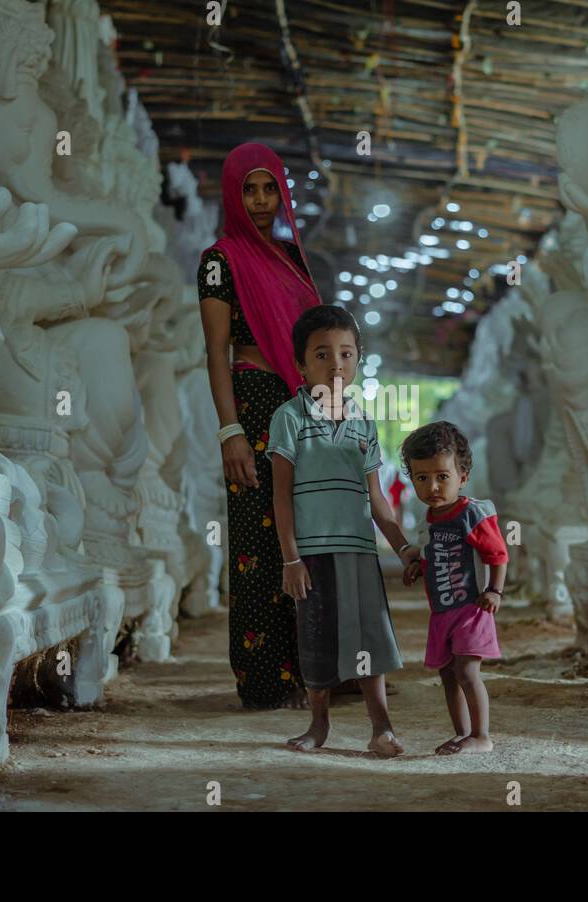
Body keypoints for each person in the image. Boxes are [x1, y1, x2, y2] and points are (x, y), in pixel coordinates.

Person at [197, 142, 321, 710]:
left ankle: (323, 668)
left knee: (313, 534)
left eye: (270, 188)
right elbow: (216, 352)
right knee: (256, 541)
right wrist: (231, 432)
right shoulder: (219, 260)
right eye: (250, 189)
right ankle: (266, 681)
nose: (263, 200)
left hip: (302, 405)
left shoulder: (292, 258)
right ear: (232, 193)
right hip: (251, 403)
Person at [266, 305, 421, 756]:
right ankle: (318, 727)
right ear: (300, 363)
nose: (336, 364)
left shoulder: (365, 423)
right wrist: (291, 559)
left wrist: (405, 547)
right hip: (311, 555)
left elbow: (377, 500)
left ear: (357, 360)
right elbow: (281, 496)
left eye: (346, 353)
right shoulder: (289, 418)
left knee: (368, 639)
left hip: (358, 551)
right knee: (317, 641)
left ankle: (382, 728)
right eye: (322, 354)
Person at [400, 421, 508, 754]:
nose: (432, 485)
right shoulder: (430, 519)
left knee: (466, 670)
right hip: (442, 612)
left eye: (442, 476)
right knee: (448, 674)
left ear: (462, 476)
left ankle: (482, 735)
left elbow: (498, 554)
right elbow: (434, 552)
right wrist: (419, 566)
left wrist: (494, 591)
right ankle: (463, 734)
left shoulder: (472, 514)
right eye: (422, 477)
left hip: (471, 608)